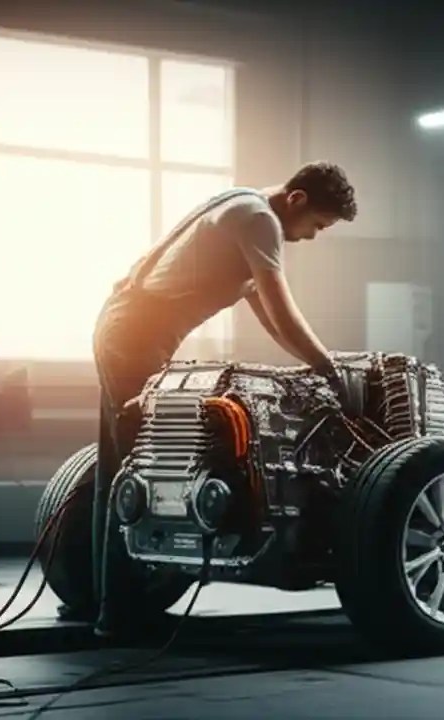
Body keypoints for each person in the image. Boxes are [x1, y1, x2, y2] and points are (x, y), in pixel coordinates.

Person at [75, 161, 358, 638]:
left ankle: (97, 600)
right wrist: (329, 367)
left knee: (115, 470)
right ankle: (120, 616)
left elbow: (265, 309)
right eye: (317, 226)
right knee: (143, 473)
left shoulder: (242, 201)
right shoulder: (259, 220)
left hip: (125, 325)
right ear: (298, 200)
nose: (312, 237)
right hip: (136, 333)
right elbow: (282, 306)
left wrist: (309, 359)